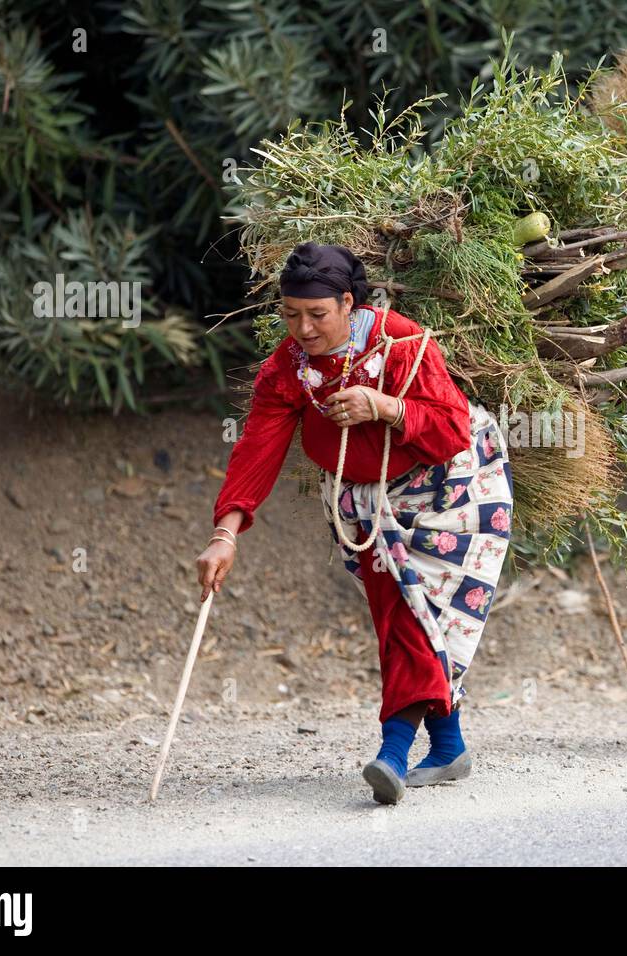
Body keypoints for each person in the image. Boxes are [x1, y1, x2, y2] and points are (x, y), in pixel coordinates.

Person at [197, 243, 514, 804]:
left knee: (411, 618)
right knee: (404, 613)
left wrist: (384, 406)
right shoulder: (288, 367)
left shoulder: (402, 342)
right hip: (364, 504)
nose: (303, 327)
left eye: (317, 314)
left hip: (453, 492)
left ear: (348, 303)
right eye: (290, 314)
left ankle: (393, 753)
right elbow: (257, 449)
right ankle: (448, 747)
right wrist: (225, 535)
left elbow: (449, 430)